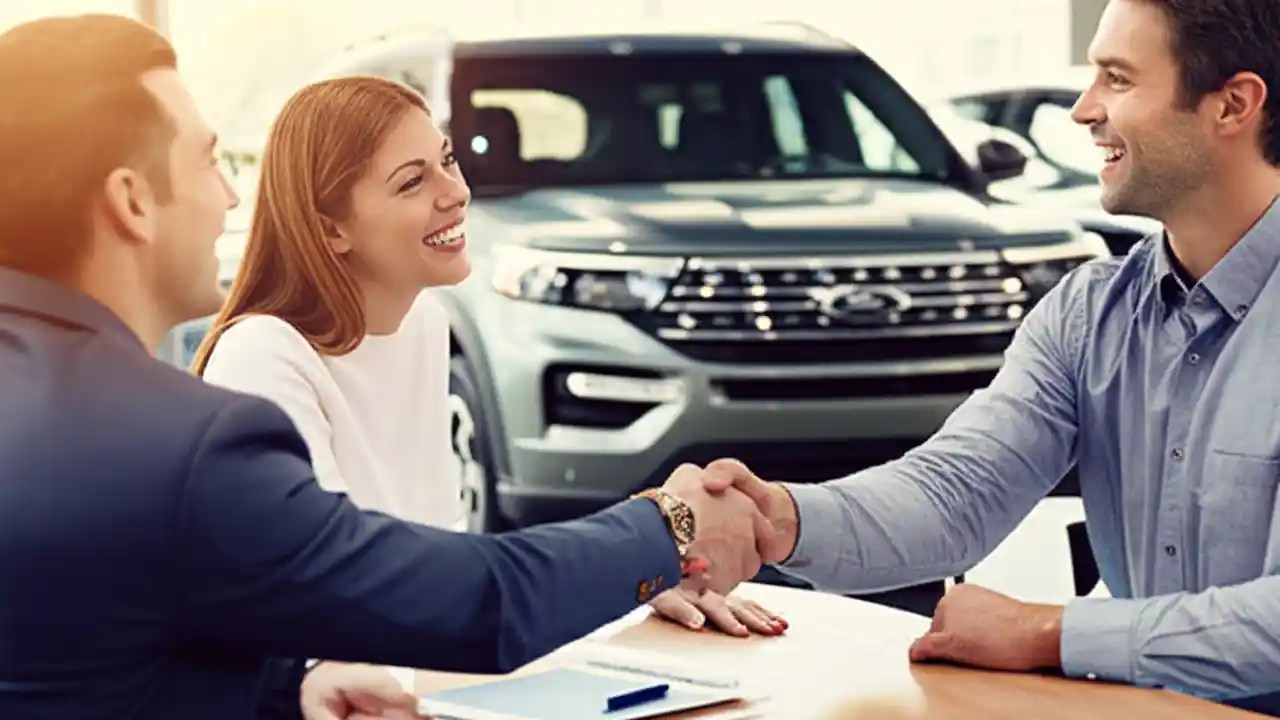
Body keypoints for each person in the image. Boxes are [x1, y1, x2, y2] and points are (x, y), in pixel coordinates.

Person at [0, 14, 775, 720]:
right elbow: (473, 602)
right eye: (207, 163)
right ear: (132, 203)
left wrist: (286, 696)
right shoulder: (184, 443)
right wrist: (668, 526)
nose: (233, 196)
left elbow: (84, 663)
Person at [706, 0, 1280, 712]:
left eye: (1118, 79)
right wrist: (770, 519)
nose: (1082, 109)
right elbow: (953, 495)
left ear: (1233, 105)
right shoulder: (1089, 312)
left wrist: (1048, 632)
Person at [190, 76, 787, 666]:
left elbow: (444, 565)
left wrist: (636, 582)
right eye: (412, 182)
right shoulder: (264, 359)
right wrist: (651, 538)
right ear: (329, 228)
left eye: (447, 160)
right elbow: (348, 601)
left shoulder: (423, 324)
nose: (455, 193)